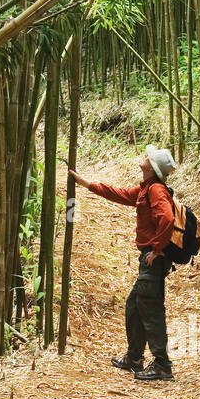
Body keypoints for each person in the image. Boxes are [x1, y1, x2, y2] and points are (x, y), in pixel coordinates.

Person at [68, 145, 179, 381]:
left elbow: (167, 218)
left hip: (153, 259)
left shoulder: (156, 190)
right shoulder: (145, 189)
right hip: (149, 258)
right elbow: (118, 193)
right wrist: (87, 184)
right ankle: (135, 357)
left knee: (151, 309)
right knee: (135, 306)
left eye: (148, 157)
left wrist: (157, 248)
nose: (144, 157)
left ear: (152, 166)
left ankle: (162, 365)